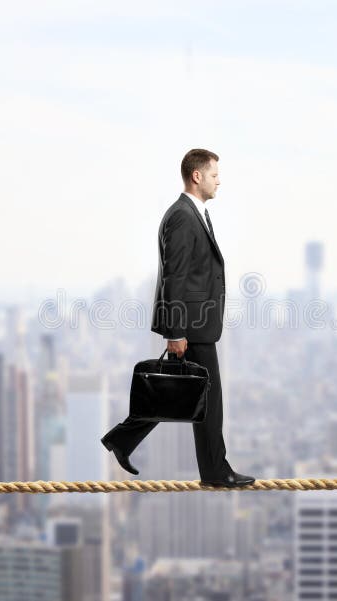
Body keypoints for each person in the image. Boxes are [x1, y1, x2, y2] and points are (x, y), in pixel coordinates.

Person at [100, 148, 255, 487]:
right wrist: (176, 331)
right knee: (208, 400)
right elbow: (175, 277)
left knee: (177, 393)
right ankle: (216, 471)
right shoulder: (184, 216)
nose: (219, 181)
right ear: (197, 176)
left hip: (195, 325)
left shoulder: (193, 213)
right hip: (191, 327)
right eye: (214, 174)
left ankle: (123, 439)